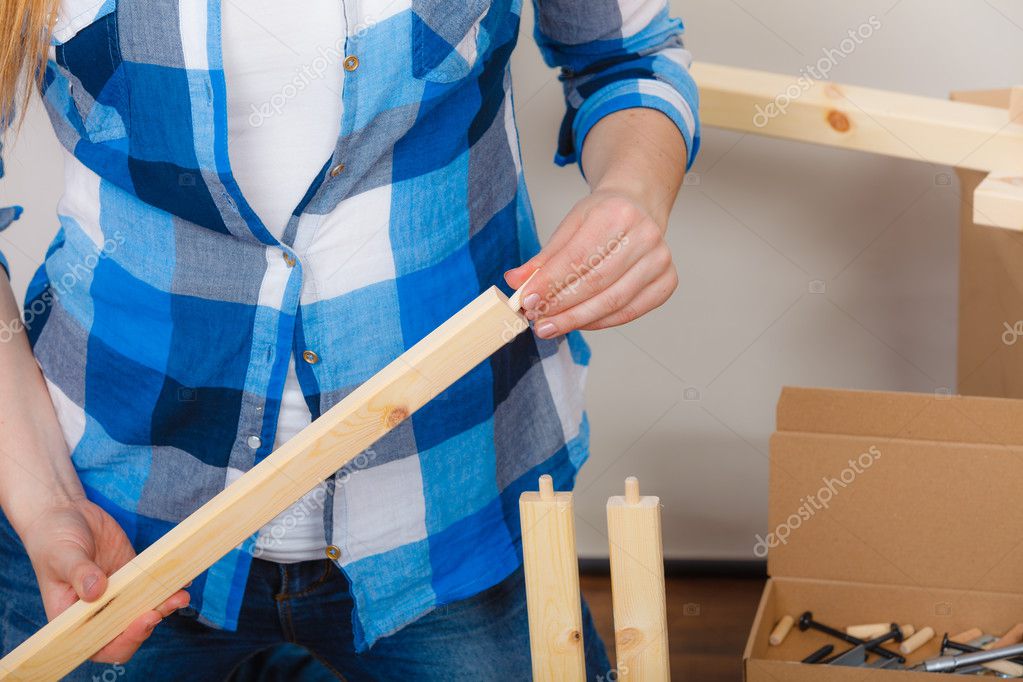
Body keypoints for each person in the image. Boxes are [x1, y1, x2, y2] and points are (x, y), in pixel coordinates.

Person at [0, 0, 699, 679]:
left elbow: (625, 58)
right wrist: (48, 503)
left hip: (445, 494)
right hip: (105, 511)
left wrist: (633, 192)